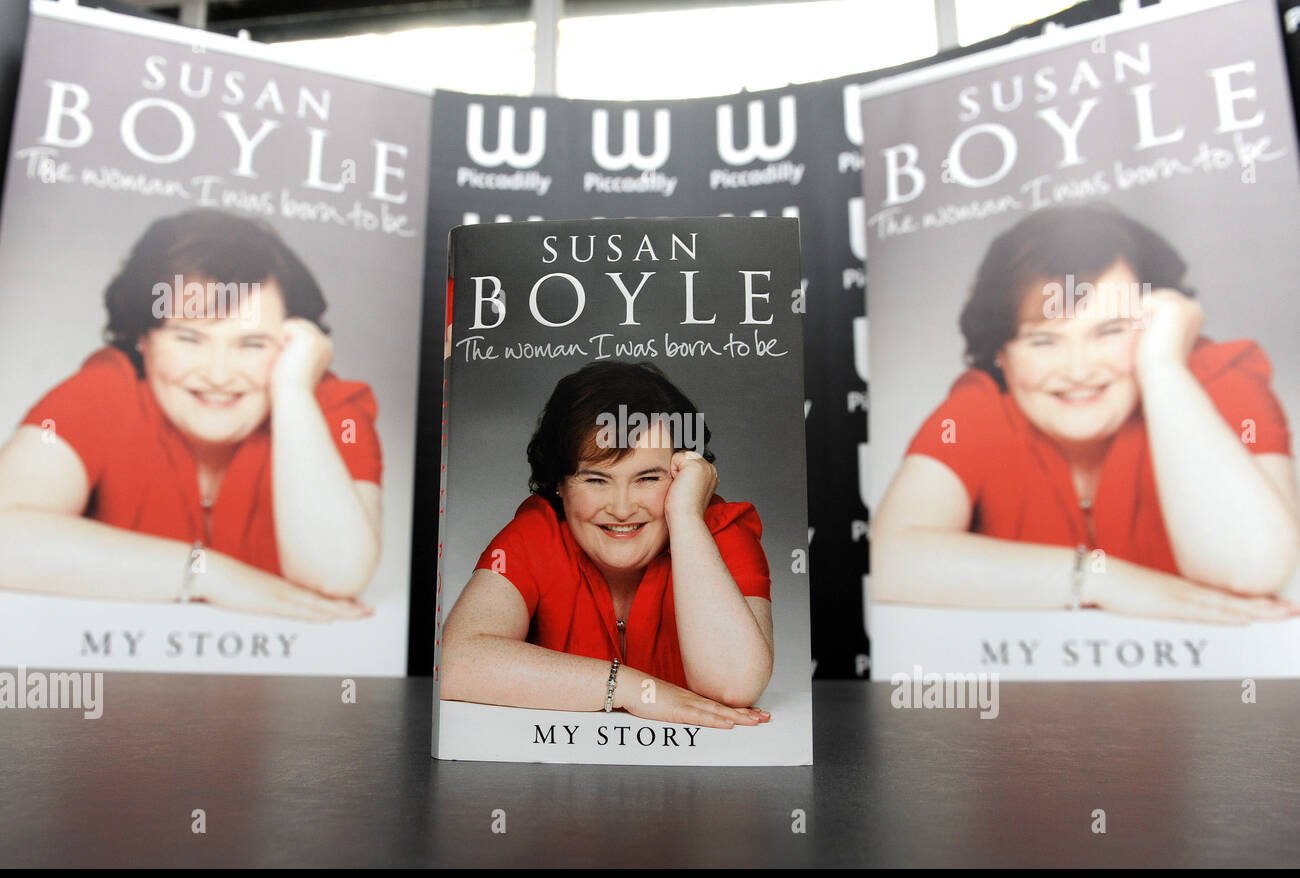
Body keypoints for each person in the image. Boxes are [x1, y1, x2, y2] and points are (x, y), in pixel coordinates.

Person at [872, 204, 1300, 623]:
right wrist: (1102, 579)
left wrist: (1164, 368)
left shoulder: (1217, 383)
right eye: (1043, 341)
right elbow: (887, 561)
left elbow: (1254, 568)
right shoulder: (979, 410)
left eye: (1109, 332)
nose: (1078, 371)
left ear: (1157, 325)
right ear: (1000, 352)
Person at [0, 209, 382, 621]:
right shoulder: (105, 392)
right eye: (189, 338)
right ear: (142, 338)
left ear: (294, 347)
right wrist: (208, 575)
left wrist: (292, 389)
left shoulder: (327, 410)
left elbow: (336, 578)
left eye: (253, 344)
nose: (218, 374)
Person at [440, 361, 775, 730]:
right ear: (559, 484)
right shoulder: (537, 534)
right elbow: (456, 664)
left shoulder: (719, 531)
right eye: (596, 480)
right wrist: (633, 688)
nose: (621, 508)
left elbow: (734, 686)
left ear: (685, 474)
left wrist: (685, 515)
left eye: (648, 478)